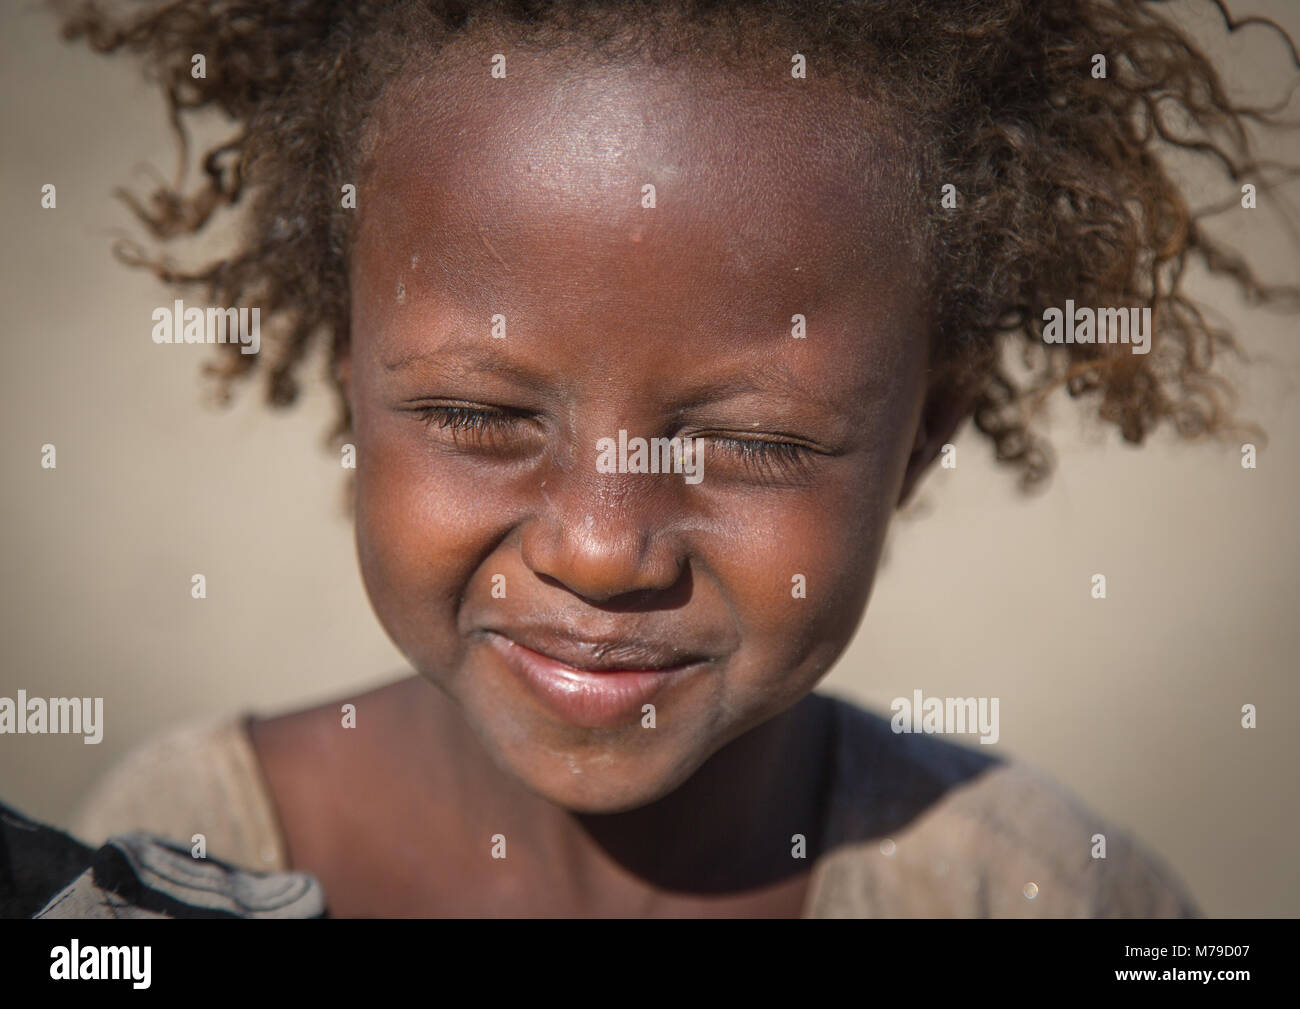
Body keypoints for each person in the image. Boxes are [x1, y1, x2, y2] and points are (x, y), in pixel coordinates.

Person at [55, 0, 1297, 916]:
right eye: (480, 417)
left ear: (928, 433)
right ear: (348, 369)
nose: (598, 547)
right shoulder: (167, 863)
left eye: (754, 440)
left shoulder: (1029, 888)